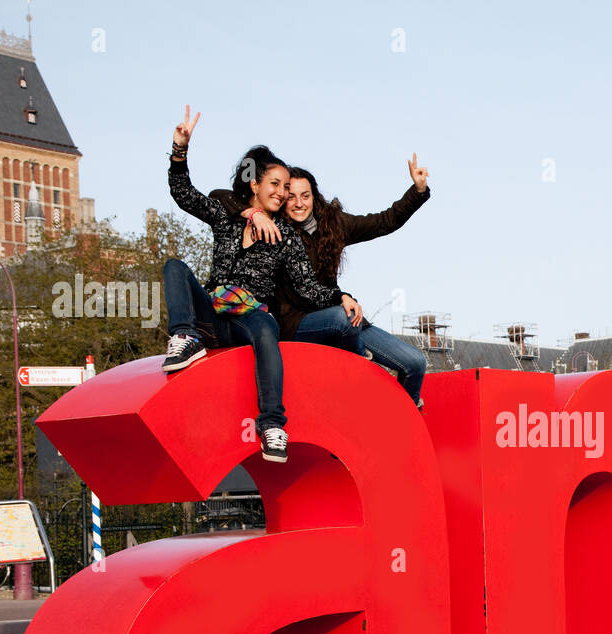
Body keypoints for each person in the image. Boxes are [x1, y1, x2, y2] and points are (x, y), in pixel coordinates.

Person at [162, 106, 357, 462]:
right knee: (175, 266)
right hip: (213, 314)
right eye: (275, 185)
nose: (283, 193)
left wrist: (340, 295)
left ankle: (271, 425)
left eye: (286, 187)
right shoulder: (227, 215)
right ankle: (183, 338)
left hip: (248, 320)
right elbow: (183, 193)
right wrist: (180, 149)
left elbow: (305, 286)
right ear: (255, 185)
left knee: (267, 325)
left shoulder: (285, 236)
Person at [211, 157, 431, 407]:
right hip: (295, 322)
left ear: (314, 196)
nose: (298, 203)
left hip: (343, 318)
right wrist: (251, 212)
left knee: (414, 362)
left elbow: (384, 221)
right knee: (341, 318)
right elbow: (219, 196)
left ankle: (399, 420)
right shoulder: (273, 227)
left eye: (305, 196)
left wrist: (418, 190)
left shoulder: (334, 224)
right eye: (290, 196)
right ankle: (360, 368)